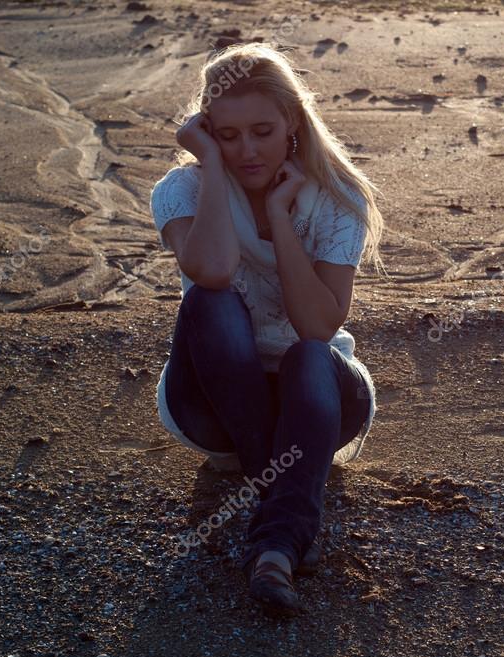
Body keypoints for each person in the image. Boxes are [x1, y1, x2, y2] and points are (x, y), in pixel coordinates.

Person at [148, 42, 386, 618]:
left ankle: (278, 542)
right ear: (206, 131)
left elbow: (319, 324)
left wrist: (280, 215)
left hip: (320, 400)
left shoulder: (336, 199)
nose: (246, 150)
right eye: (227, 135)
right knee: (210, 303)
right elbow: (213, 271)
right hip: (213, 405)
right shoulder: (181, 190)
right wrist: (208, 166)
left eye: (262, 130)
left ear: (293, 125)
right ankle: (276, 483)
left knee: (309, 354)